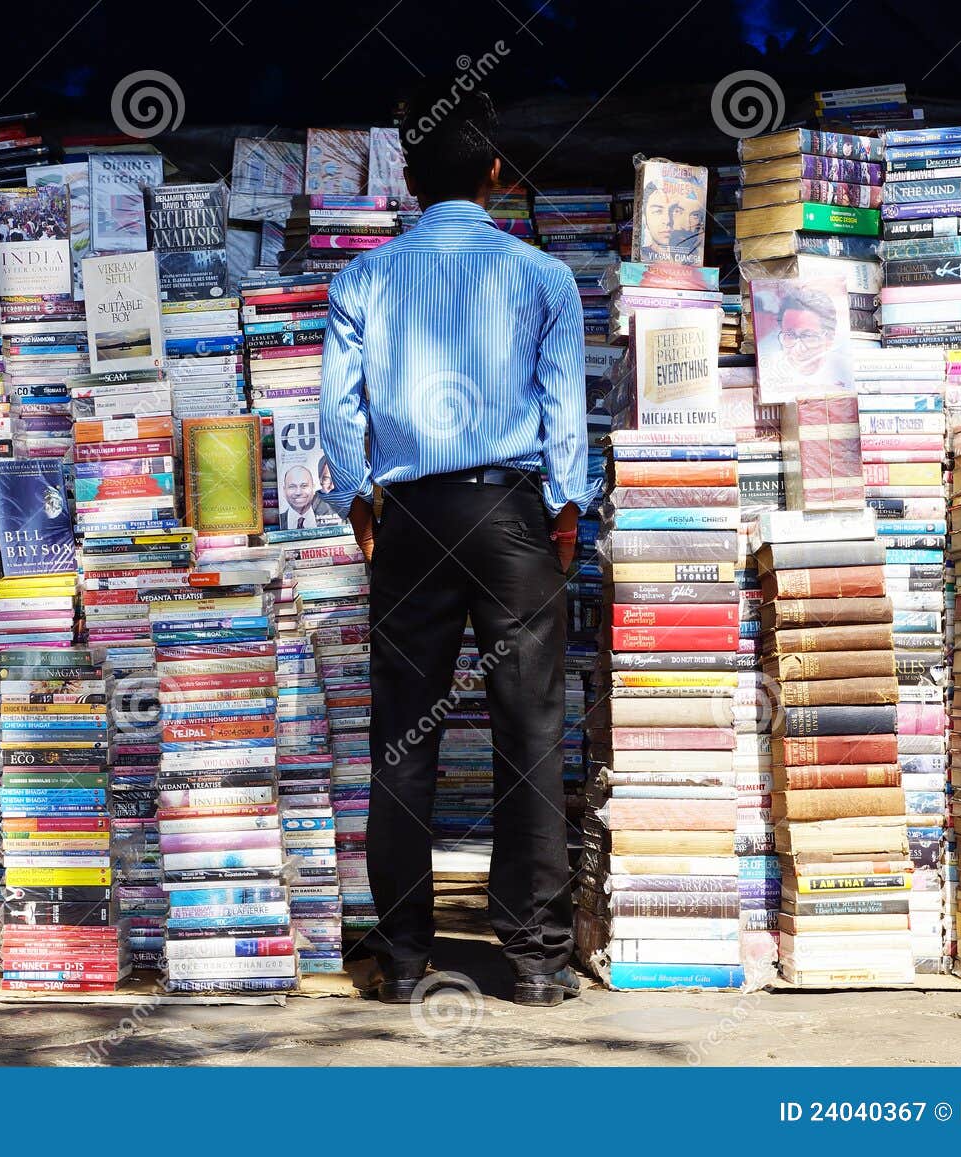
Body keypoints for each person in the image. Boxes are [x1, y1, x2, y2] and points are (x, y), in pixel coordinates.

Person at [319, 83, 593, 1008]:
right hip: (512, 515)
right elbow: (565, 418)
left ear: (405, 177)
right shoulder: (543, 276)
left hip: (412, 520)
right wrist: (564, 517)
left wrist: (363, 504)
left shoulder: (362, 278)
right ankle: (539, 960)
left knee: (402, 737)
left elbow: (337, 412)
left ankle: (400, 958)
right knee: (530, 731)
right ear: (495, 175)